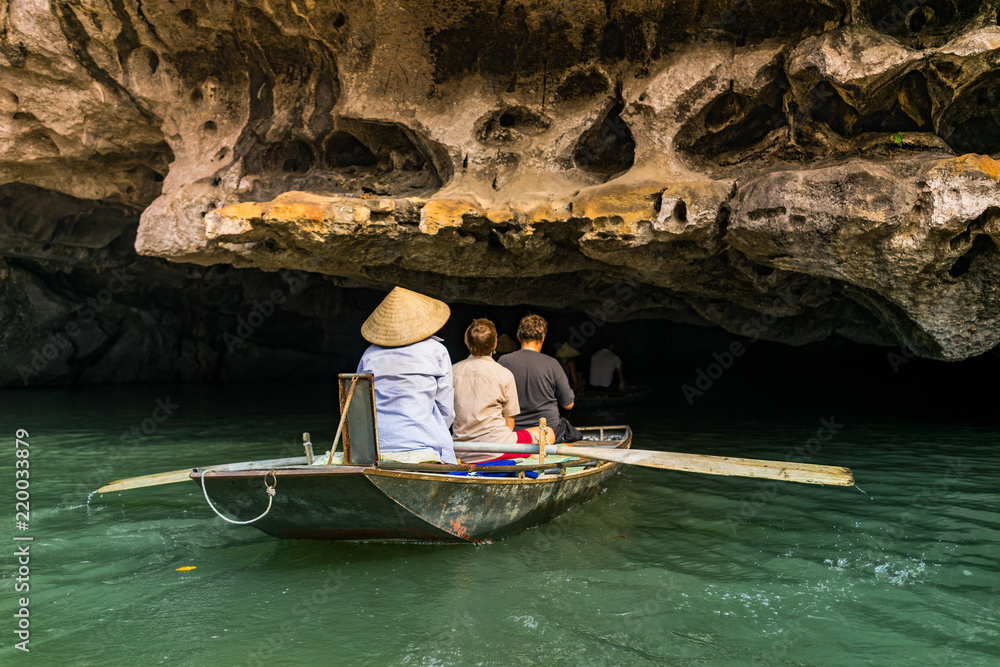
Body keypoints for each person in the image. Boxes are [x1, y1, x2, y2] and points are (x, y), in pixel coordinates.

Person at [357, 286, 456, 464]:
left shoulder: (369, 354)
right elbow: (445, 409)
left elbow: (360, 404)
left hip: (377, 445)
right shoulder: (436, 350)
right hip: (424, 443)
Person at [452, 318, 555, 464]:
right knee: (548, 432)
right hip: (497, 450)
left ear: (467, 342)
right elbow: (509, 425)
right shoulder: (504, 374)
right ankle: (524, 455)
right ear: (495, 344)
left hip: (461, 452)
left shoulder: (452, 372)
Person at [498, 314, 582, 443]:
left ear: (518, 336)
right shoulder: (552, 363)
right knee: (572, 433)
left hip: (515, 431)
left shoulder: (503, 361)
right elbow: (568, 405)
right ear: (543, 339)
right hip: (548, 431)